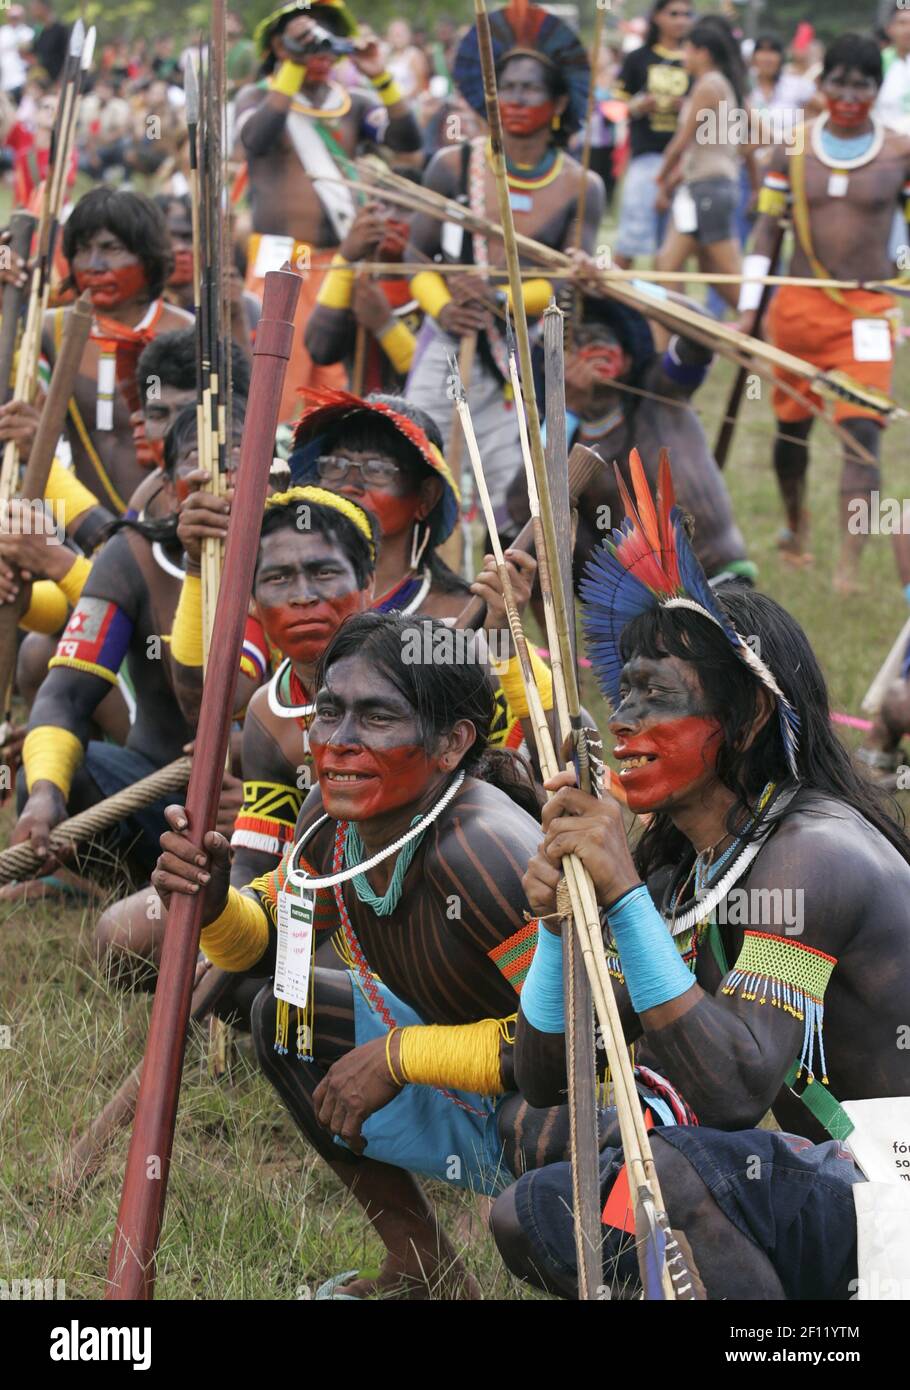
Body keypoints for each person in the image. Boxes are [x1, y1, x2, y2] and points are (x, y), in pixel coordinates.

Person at [490, 459, 910, 1297]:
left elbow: (731, 1088)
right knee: (534, 1209)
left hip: (894, 1187)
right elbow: (543, 1079)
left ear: (748, 716)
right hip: (844, 1188)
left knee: (674, 1175)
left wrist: (621, 898)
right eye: (624, 694)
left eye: (658, 696)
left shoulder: (812, 855)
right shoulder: (685, 868)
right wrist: (557, 926)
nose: (626, 719)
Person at [151, 609, 552, 1299]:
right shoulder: (334, 822)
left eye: (376, 718)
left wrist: (403, 1057)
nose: (338, 742)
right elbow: (272, 942)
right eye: (329, 712)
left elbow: (578, 1048)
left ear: (452, 742)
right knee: (286, 1015)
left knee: (540, 1132)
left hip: (569, 1105)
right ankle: (422, 1266)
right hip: (468, 1081)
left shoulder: (480, 851)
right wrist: (217, 906)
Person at [12, 402, 242, 883]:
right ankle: (136, 887)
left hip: (268, 805)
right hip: (158, 798)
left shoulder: (297, 565)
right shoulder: (131, 558)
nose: (219, 480)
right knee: (57, 772)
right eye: (197, 464)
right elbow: (65, 693)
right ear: (166, 482)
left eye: (239, 460)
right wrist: (43, 794)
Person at [406, 1, 603, 518]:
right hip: (449, 337)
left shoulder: (581, 186)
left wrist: (502, 298)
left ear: (559, 100)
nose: (515, 98)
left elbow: (567, 279)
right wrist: (443, 306)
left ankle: (501, 591)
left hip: (521, 352)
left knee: (509, 496)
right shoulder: (455, 164)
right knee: (413, 465)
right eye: (507, 86)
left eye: (531, 88)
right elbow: (413, 253)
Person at [739, 32, 910, 591]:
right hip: (796, 311)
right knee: (792, 436)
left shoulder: (899, 153)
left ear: (876, 89)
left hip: (866, 316)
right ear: (823, 83)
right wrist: (747, 309)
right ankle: (795, 528)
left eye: (862, 84)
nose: (850, 94)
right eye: (839, 81)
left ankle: (848, 568)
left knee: (863, 435)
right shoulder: (790, 149)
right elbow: (766, 228)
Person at [233, 1, 421, 422]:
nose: (318, 49)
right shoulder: (259, 97)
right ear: (278, 46)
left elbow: (409, 142)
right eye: (303, 39)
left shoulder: (352, 103)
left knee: (332, 382)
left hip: (339, 261)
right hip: (280, 260)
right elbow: (255, 140)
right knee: (275, 377)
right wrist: (293, 69)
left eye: (326, 37)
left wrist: (381, 76)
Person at [504, 266, 752, 585]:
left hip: (719, 583)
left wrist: (625, 284)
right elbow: (525, 505)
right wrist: (567, 410)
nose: (590, 348)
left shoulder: (660, 391)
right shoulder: (563, 433)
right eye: (577, 344)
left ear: (630, 358)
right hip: (644, 610)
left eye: (602, 338)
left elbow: (702, 331)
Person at [39, 188, 194, 515]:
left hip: (167, 530)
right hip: (76, 527)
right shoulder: (51, 332)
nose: (94, 265)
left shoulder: (187, 335)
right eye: (82, 250)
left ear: (148, 257)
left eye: (112, 249)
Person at [287, 390, 469, 620]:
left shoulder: (459, 615)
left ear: (426, 497)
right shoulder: (283, 592)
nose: (349, 485)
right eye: (336, 464)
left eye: (377, 470)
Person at [655, 15, 753, 311]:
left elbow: (681, 142)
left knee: (727, 274)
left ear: (703, 53)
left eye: (688, 49)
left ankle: (760, 327)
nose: (683, 56)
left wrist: (660, 178)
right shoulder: (724, 85)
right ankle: (673, 340)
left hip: (708, 190)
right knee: (670, 265)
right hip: (704, 186)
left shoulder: (708, 86)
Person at [303, 199, 420, 394]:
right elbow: (320, 350)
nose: (391, 218)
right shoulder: (356, 283)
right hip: (361, 417)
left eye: (406, 209)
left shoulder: (440, 286)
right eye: (383, 208)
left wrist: (386, 326)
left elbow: (440, 381)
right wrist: (346, 258)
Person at [612, 0, 692, 271]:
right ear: (657, 17)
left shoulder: (695, 61)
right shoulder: (638, 58)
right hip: (647, 156)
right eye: (674, 14)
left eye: (686, 14)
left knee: (673, 244)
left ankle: (665, 307)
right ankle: (612, 301)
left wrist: (689, 108)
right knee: (631, 236)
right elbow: (615, 105)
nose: (681, 20)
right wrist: (638, 106)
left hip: (686, 162)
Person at [877, 3, 910, 134]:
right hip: (887, 141)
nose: (908, 29)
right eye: (902, 23)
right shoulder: (877, 62)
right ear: (889, 29)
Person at [27, 0, 67, 83]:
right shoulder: (39, 30)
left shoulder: (60, 29)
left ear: (44, 8)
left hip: (58, 82)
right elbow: (35, 53)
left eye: (35, 8)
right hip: (42, 81)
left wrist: (60, 81)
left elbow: (67, 57)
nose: (32, 11)